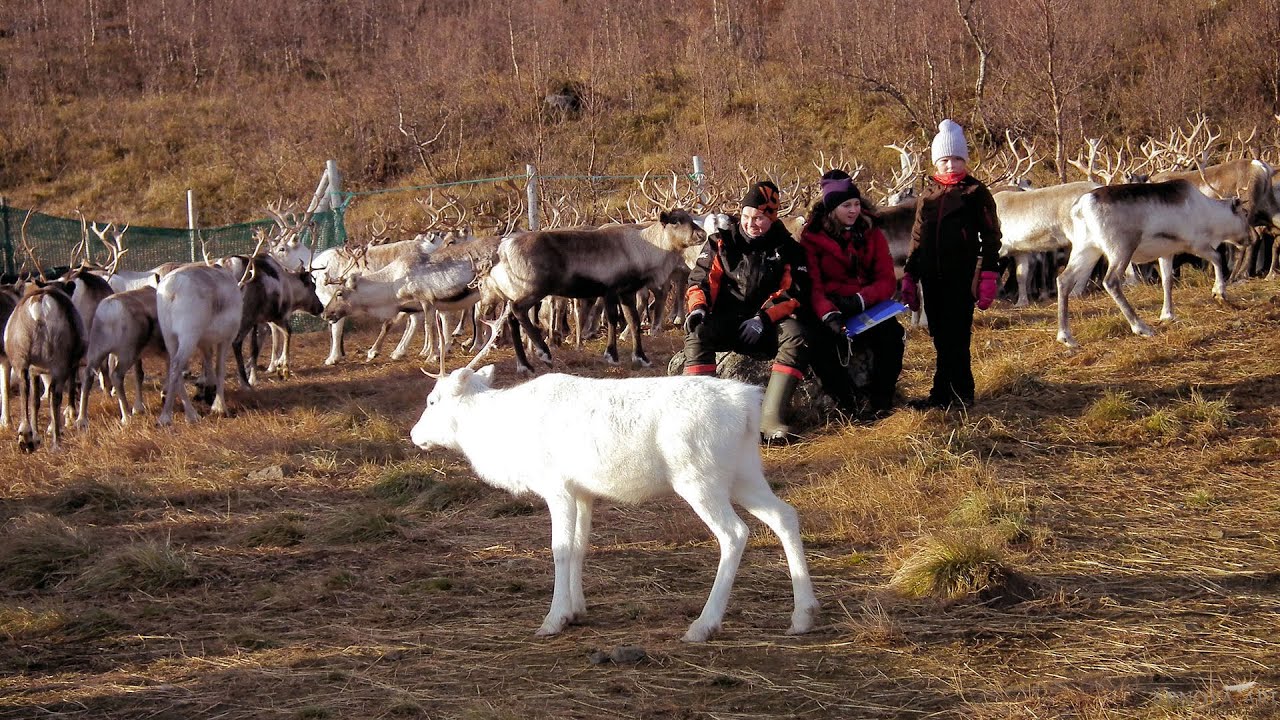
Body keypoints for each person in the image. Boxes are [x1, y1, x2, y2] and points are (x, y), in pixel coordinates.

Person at [683, 180, 849, 442]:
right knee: (698, 332)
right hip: (729, 320)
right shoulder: (721, 242)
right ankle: (700, 416)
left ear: (772, 217)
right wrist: (698, 308)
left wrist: (763, 317)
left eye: (760, 218)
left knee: (797, 336)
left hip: (768, 324)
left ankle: (771, 420)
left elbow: (792, 292)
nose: (751, 224)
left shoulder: (789, 248)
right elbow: (701, 280)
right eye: (747, 216)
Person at [902, 119, 1002, 409]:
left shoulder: (975, 193)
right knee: (940, 335)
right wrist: (910, 274)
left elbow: (992, 235)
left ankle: (958, 394)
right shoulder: (928, 196)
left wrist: (989, 274)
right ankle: (945, 393)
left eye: (957, 159)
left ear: (965, 160)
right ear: (936, 162)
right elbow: (918, 237)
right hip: (932, 278)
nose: (950, 165)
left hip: (962, 276)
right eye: (945, 160)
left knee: (957, 335)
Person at [798, 169, 904, 417]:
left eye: (856, 204)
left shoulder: (871, 232)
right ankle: (848, 406)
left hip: (866, 304)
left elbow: (886, 279)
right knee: (821, 345)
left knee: (892, 336)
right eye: (847, 205)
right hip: (830, 306)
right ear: (831, 208)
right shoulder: (811, 238)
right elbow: (813, 284)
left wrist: (860, 299)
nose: (854, 210)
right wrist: (829, 313)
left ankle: (882, 401)